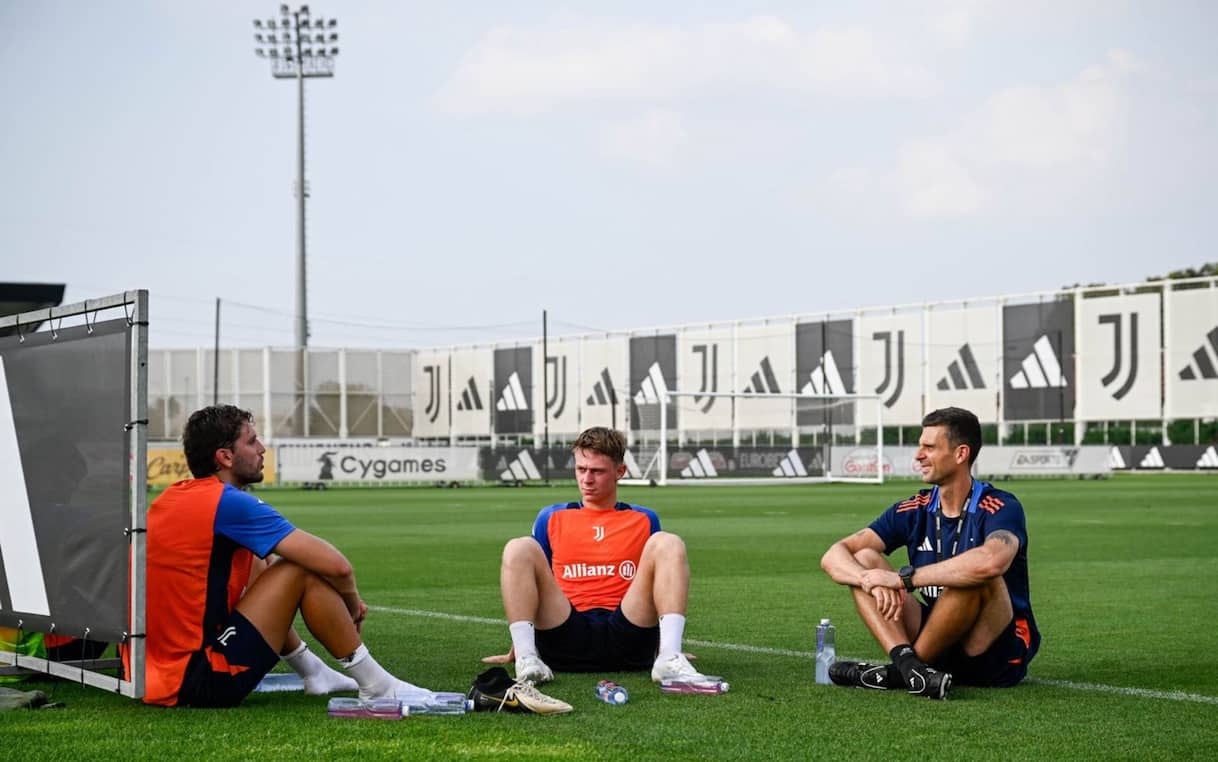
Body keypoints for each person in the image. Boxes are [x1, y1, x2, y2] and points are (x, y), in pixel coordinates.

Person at [135, 404, 429, 707]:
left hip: (150, 676)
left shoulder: (173, 496)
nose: (262, 449)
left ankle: (313, 671)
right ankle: (377, 685)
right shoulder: (226, 502)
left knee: (260, 561)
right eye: (251, 442)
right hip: (195, 681)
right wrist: (353, 606)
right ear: (225, 457)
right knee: (299, 569)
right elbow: (338, 567)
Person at [819, 407, 1040, 699]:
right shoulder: (914, 508)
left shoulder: (1000, 505)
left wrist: (903, 580)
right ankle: (910, 668)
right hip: (937, 643)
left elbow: (991, 562)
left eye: (929, 447)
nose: (918, 455)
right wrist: (868, 579)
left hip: (992, 653)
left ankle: (901, 673)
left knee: (977, 574)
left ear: (961, 454)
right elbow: (833, 555)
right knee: (864, 559)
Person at [481, 427, 720, 692]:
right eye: (581, 469)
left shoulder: (644, 519)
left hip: (628, 635)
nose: (587, 479)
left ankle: (668, 658)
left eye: (597, 471)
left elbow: (657, 585)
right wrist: (520, 644)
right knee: (519, 548)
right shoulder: (551, 517)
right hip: (567, 635)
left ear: (620, 472)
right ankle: (528, 660)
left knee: (668, 542)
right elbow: (535, 583)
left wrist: (665, 644)